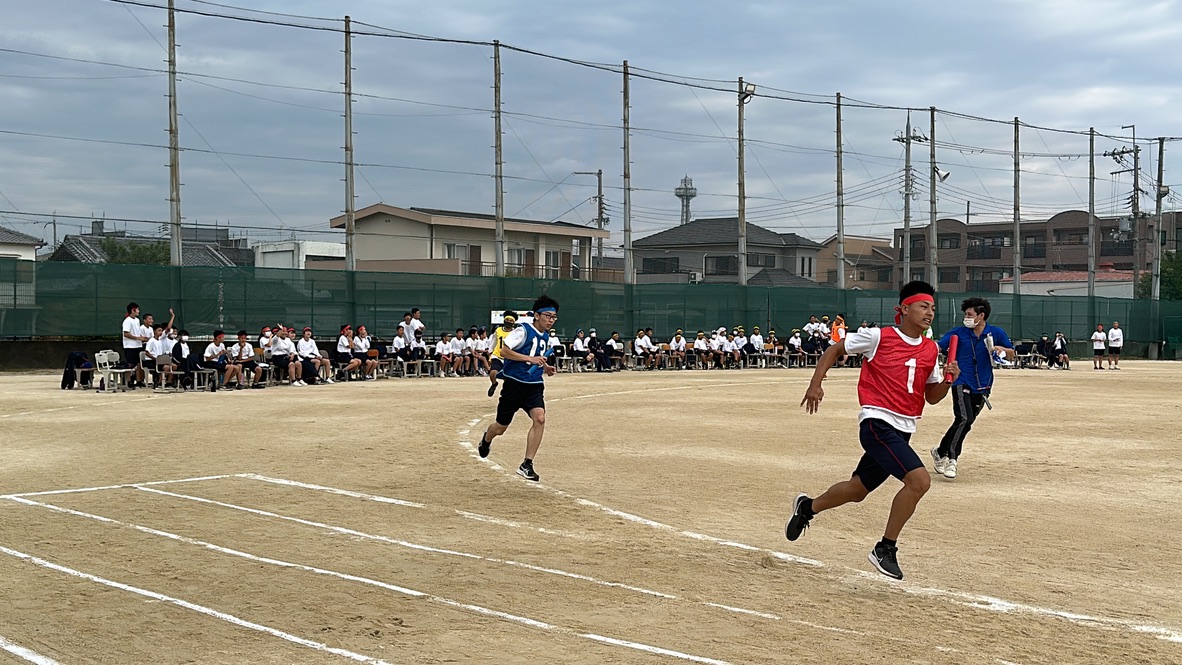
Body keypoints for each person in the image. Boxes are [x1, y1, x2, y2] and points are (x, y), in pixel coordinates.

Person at [786, 281, 958, 580]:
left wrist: (947, 381)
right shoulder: (879, 336)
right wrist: (816, 383)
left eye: (932, 308)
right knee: (919, 481)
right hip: (877, 422)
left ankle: (807, 507)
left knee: (856, 491)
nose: (930, 312)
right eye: (923, 306)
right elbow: (835, 348)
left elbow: (931, 397)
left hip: (904, 427)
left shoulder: (931, 349)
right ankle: (885, 548)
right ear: (903, 309)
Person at [477, 294, 560, 482]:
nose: (551, 320)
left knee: (540, 419)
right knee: (500, 428)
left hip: (534, 385)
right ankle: (487, 438)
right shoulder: (523, 330)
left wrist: (545, 367)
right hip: (514, 384)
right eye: (548, 316)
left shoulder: (545, 336)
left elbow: (537, 356)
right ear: (537, 315)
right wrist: (529, 359)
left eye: (554, 317)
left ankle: (527, 464)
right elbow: (505, 351)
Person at [931, 297, 1013, 480]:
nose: (966, 318)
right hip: (961, 380)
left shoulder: (996, 333)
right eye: (966, 314)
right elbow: (937, 347)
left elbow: (1012, 354)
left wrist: (1001, 350)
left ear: (981, 316)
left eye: (969, 314)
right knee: (963, 417)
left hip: (983, 385)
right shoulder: (958, 333)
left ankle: (940, 451)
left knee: (966, 423)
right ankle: (952, 459)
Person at [487, 311, 517, 396]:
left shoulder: (515, 332)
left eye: (511, 321)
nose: (508, 322)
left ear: (514, 323)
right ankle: (494, 383)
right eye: (507, 320)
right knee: (493, 372)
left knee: (508, 377)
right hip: (498, 355)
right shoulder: (498, 330)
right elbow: (494, 341)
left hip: (510, 357)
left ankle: (507, 391)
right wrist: (490, 353)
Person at [121, 302, 150, 388]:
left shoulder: (137, 320)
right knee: (130, 364)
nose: (139, 311)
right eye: (137, 309)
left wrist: (141, 338)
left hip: (138, 345)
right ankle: (128, 381)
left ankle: (138, 380)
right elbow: (126, 334)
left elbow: (136, 332)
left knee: (139, 364)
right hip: (130, 346)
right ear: (133, 310)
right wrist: (137, 338)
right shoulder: (127, 321)